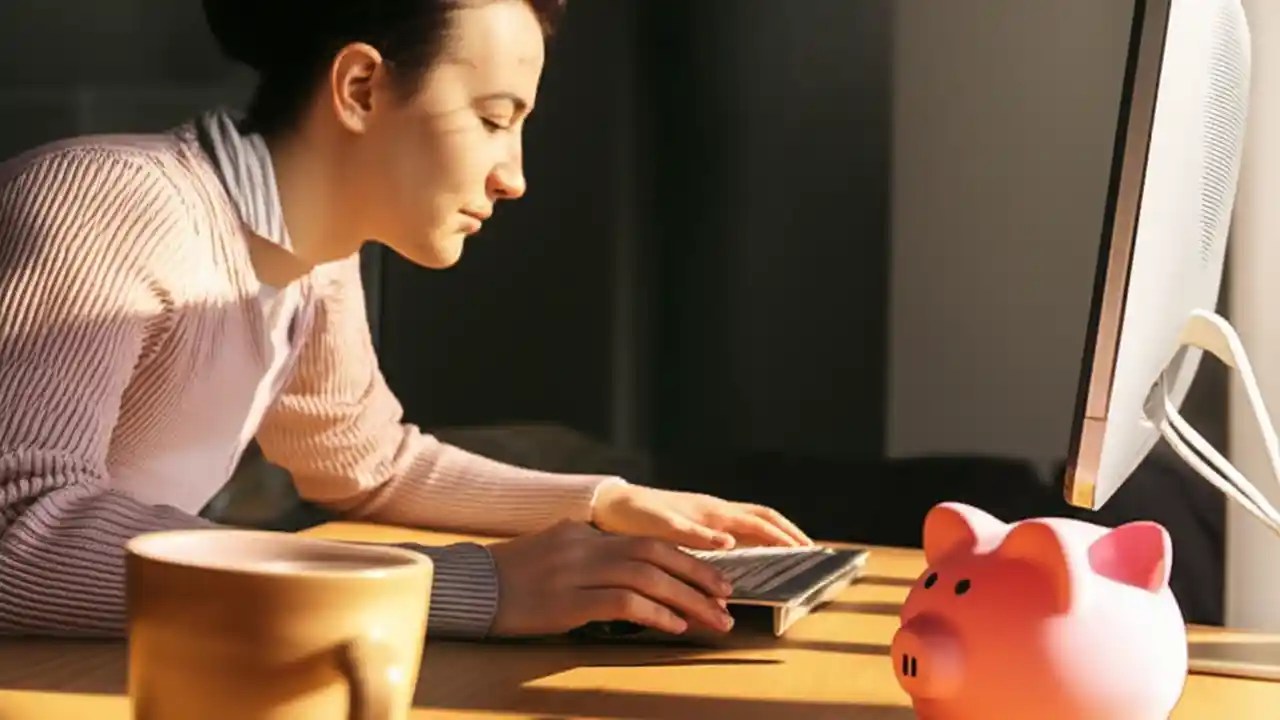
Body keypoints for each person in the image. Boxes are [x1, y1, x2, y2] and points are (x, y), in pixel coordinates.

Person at [0, 0, 813, 641]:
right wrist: (470, 586)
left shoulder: (317, 253)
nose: (514, 177)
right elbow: (20, 532)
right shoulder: (109, 201)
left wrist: (604, 500)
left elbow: (365, 460)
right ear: (360, 87)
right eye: (495, 118)